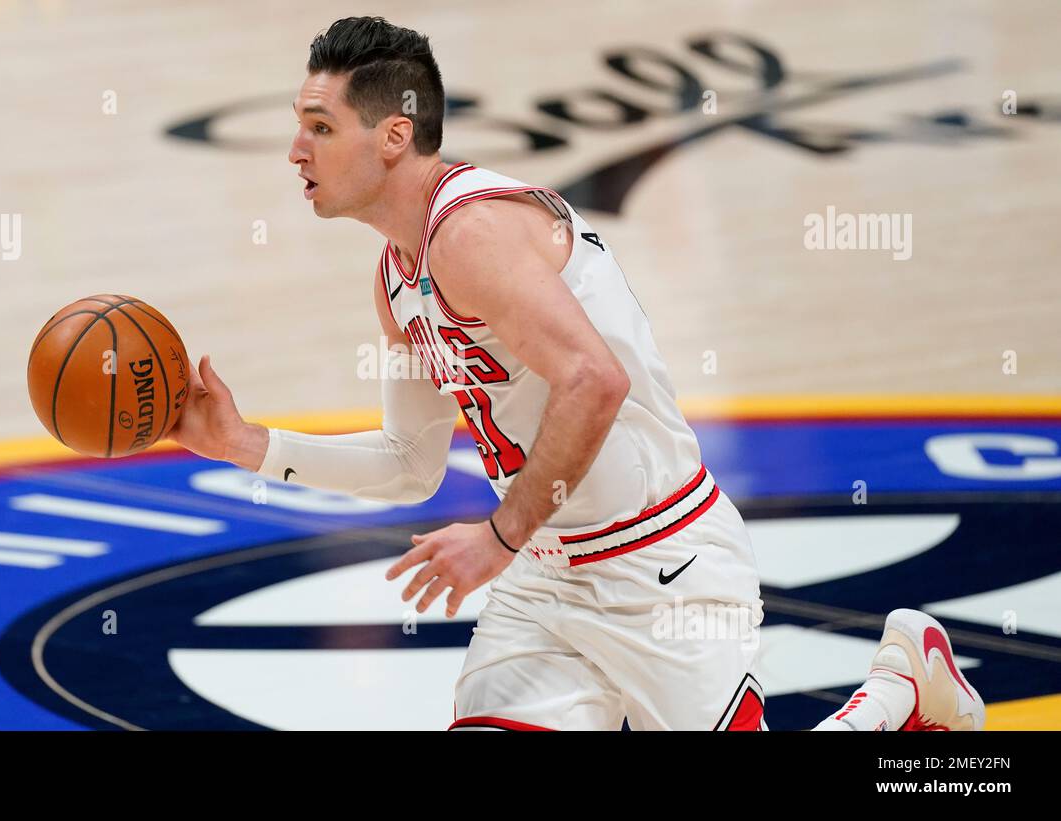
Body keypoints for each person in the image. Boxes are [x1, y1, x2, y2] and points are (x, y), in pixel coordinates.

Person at [166, 16, 986, 732]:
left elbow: (594, 381)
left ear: (392, 136)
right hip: (547, 578)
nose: (294, 149)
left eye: (319, 125)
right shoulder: (395, 273)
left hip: (661, 563)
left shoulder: (471, 233)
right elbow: (411, 465)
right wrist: (245, 443)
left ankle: (897, 692)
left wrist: (497, 535)